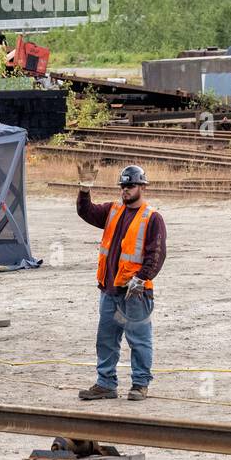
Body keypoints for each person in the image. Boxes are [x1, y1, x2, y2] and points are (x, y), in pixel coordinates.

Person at [74, 162, 166, 401]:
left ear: (141, 187)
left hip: (135, 293)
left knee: (139, 340)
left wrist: (142, 278)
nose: (126, 190)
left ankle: (140, 384)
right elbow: (87, 212)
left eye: (131, 185)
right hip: (110, 291)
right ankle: (106, 384)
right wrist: (84, 190)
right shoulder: (113, 211)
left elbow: (156, 254)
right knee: (105, 340)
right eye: (123, 186)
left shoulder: (152, 217)